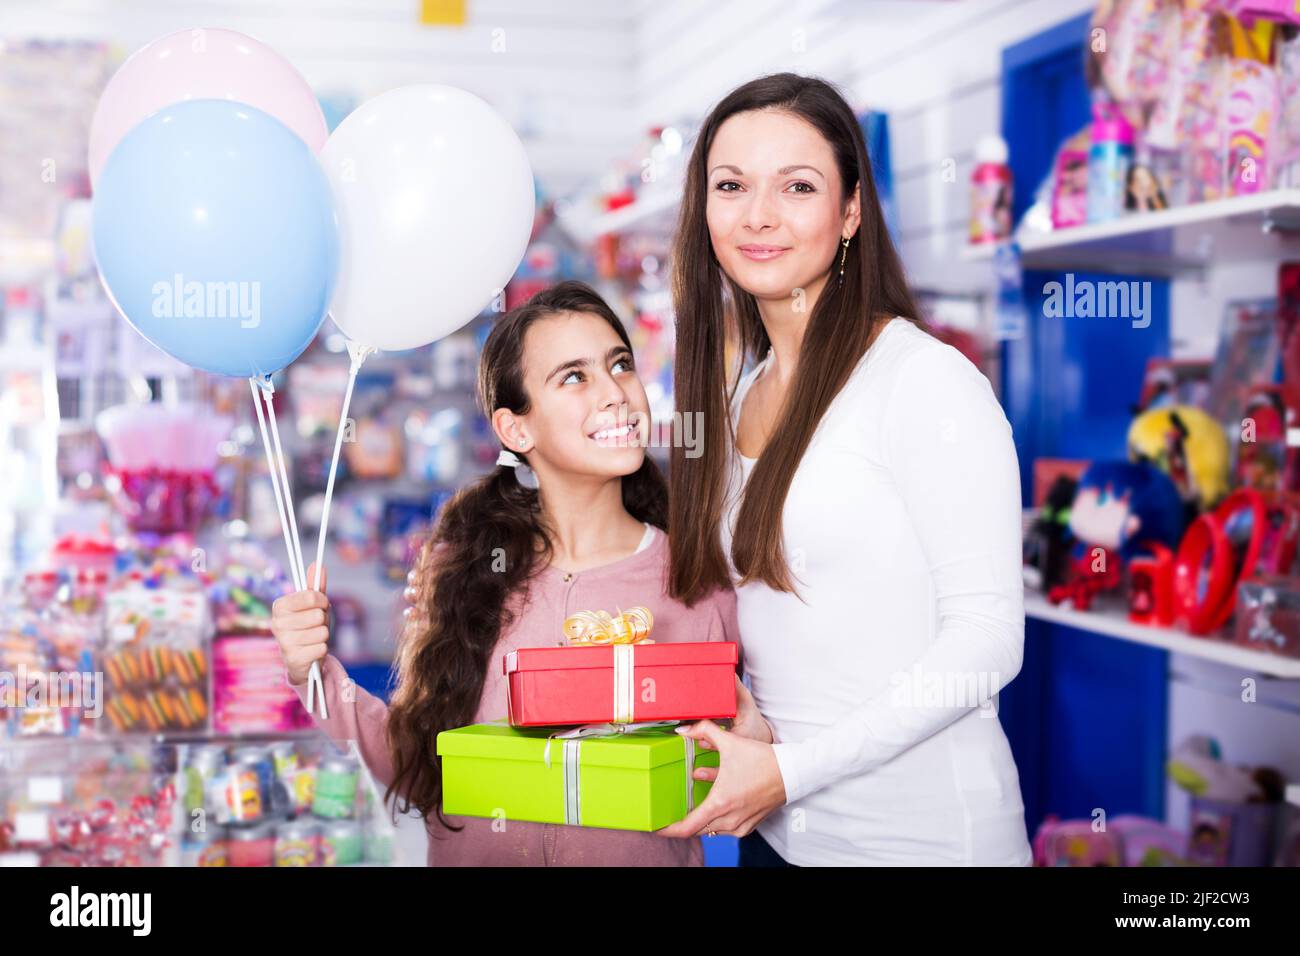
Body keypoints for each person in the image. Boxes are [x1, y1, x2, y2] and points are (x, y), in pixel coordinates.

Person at [660, 73, 1033, 866]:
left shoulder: (922, 382)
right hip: (781, 838)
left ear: (852, 210)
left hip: (924, 843)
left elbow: (988, 641)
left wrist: (791, 770)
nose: (759, 215)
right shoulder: (738, 396)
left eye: (798, 186)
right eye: (731, 186)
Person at [272, 281, 764, 865]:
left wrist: (755, 747)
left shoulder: (699, 583)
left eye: (620, 365)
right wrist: (313, 674)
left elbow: (725, 782)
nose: (615, 394)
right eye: (574, 377)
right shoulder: (468, 570)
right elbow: (421, 766)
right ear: (515, 430)